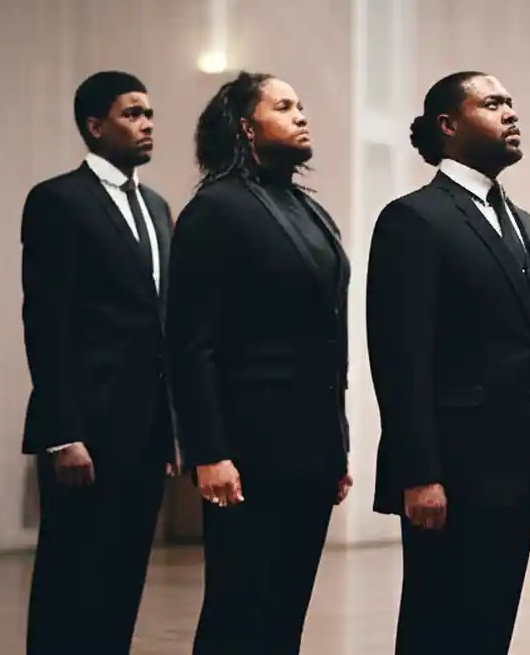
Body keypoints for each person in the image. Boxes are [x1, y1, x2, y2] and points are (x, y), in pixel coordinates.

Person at [367, 71, 530, 654]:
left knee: (490, 629)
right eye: (493, 103)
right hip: (450, 472)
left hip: (516, 470)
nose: (511, 113)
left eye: (512, 102)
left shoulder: (527, 226)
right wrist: (419, 472)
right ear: (448, 125)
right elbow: (400, 356)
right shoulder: (414, 218)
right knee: (436, 629)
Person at [167, 71, 352, 654]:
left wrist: (337, 446)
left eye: (301, 105)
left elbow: (329, 338)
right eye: (285, 107)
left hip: (311, 448)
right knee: (237, 608)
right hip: (248, 448)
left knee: (285, 611)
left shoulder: (308, 209)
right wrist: (209, 452)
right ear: (246, 127)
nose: (301, 116)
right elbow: (191, 343)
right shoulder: (214, 209)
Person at [21, 71, 176, 652]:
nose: (147, 124)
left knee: (123, 576)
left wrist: (171, 429)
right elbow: (46, 321)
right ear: (94, 126)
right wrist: (63, 432)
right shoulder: (58, 200)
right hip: (85, 429)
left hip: (145, 429)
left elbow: (161, 324)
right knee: (69, 576)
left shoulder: (157, 207)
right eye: (132, 114)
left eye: (149, 114)